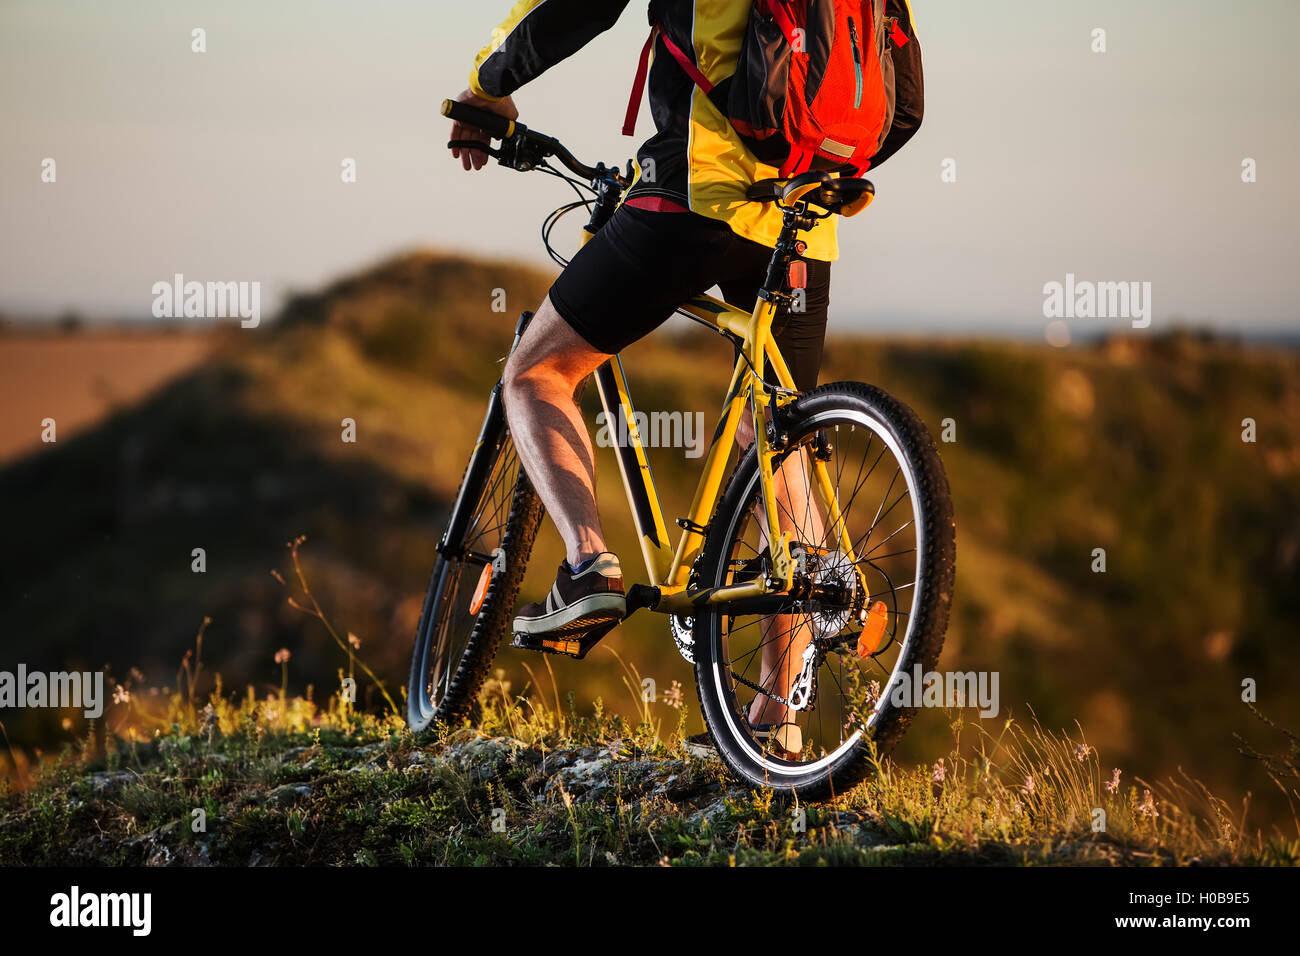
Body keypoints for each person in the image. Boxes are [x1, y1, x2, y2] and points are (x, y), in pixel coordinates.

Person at [450, 0, 923, 735]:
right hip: (808, 212)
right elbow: (904, 96)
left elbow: (576, 6)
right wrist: (804, 157)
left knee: (536, 372)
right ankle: (772, 723)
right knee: (779, 432)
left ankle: (588, 568)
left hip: (697, 188)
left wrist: (487, 86)